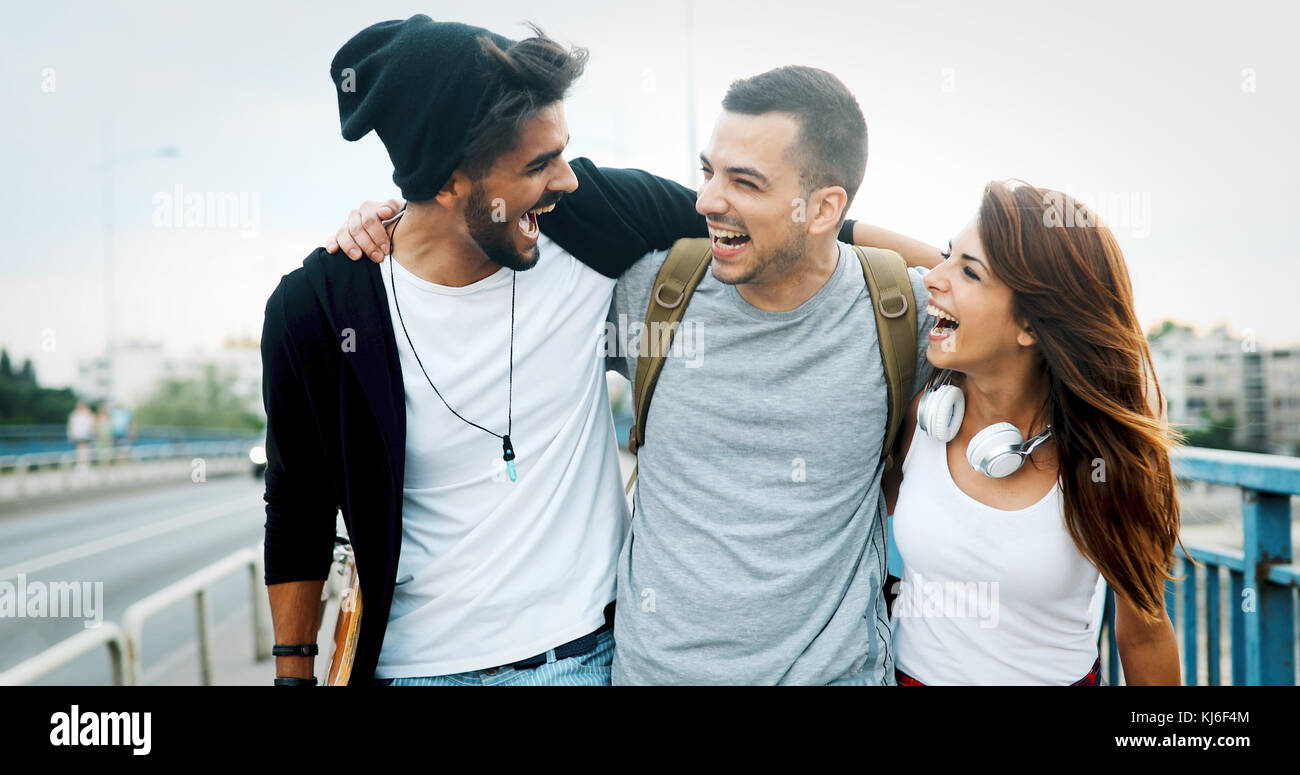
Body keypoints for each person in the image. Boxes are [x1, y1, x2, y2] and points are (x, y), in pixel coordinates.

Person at [339, 66, 940, 684]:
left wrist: (946, 262)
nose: (705, 200)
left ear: (823, 209)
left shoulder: (904, 311)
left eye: (745, 182)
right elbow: (474, 300)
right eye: (708, 172)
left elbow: (1020, 306)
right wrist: (397, 225)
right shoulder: (652, 294)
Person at [264, 16, 784, 687]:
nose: (566, 179)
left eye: (562, 151)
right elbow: (298, 502)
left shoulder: (589, 218)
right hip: (415, 671)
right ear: (449, 183)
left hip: (590, 658)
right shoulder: (318, 308)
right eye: (539, 164)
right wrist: (291, 675)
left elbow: (770, 231)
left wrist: (945, 270)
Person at [882, 181, 1182, 685]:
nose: (933, 277)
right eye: (946, 256)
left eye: (968, 271)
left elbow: (1146, 635)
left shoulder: (1107, 460)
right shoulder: (925, 419)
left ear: (1030, 325)